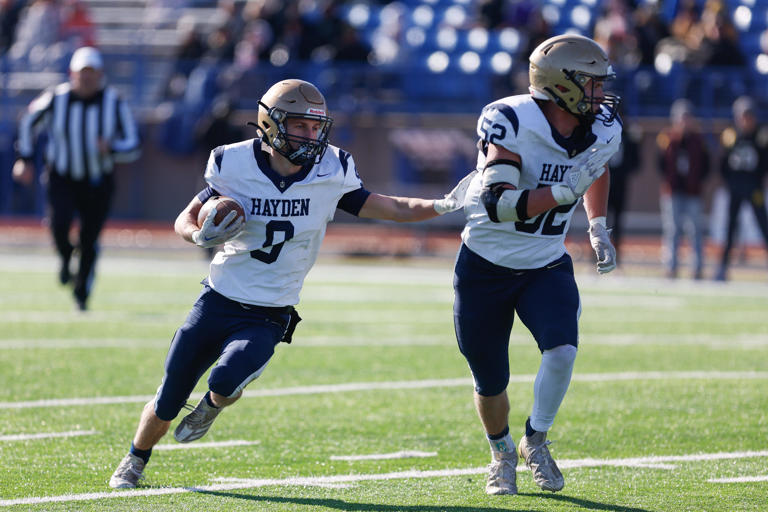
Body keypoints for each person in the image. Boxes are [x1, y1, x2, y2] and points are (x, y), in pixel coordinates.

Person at [108, 78, 469, 489]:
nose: (311, 136)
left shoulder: (331, 169)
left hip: (270, 312)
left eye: (317, 128)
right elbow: (183, 219)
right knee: (170, 394)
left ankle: (211, 405)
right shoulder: (233, 163)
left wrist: (442, 205)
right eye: (301, 125)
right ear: (270, 123)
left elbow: (391, 207)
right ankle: (135, 460)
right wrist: (198, 235)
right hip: (217, 298)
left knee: (226, 380)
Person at [452, 34, 621, 496]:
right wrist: (563, 193)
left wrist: (597, 223)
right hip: (485, 265)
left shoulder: (601, 125)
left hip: (545, 263)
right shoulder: (510, 120)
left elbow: (598, 166)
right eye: (590, 83)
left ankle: (536, 440)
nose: (600, 93)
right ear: (561, 84)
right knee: (490, 381)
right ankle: (501, 450)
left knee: (563, 349)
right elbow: (498, 203)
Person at [12, 46, 140, 310]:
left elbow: (132, 144)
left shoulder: (113, 102)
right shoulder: (55, 98)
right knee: (59, 225)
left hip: (97, 179)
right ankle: (65, 255)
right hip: (61, 176)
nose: (87, 78)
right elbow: (27, 122)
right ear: (72, 73)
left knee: (89, 238)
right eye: (83, 72)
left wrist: (112, 147)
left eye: (92, 72)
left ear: (100, 74)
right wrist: (24, 158)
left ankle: (81, 292)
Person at [715, 96, 768, 281]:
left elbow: (764, 163)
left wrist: (757, 181)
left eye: (749, 116)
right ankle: (723, 267)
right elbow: (722, 164)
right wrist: (731, 183)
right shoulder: (730, 136)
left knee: (764, 225)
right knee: (730, 228)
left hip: (754, 189)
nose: (746, 120)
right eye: (742, 116)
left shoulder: (761, 136)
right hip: (735, 189)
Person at [656, 98, 710, 279]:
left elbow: (706, 165)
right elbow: (661, 164)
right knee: (672, 230)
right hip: (673, 191)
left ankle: (697, 268)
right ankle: (671, 267)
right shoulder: (667, 139)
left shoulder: (699, 140)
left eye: (687, 117)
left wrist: (696, 182)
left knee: (695, 230)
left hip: (693, 192)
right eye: (681, 117)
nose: (684, 122)